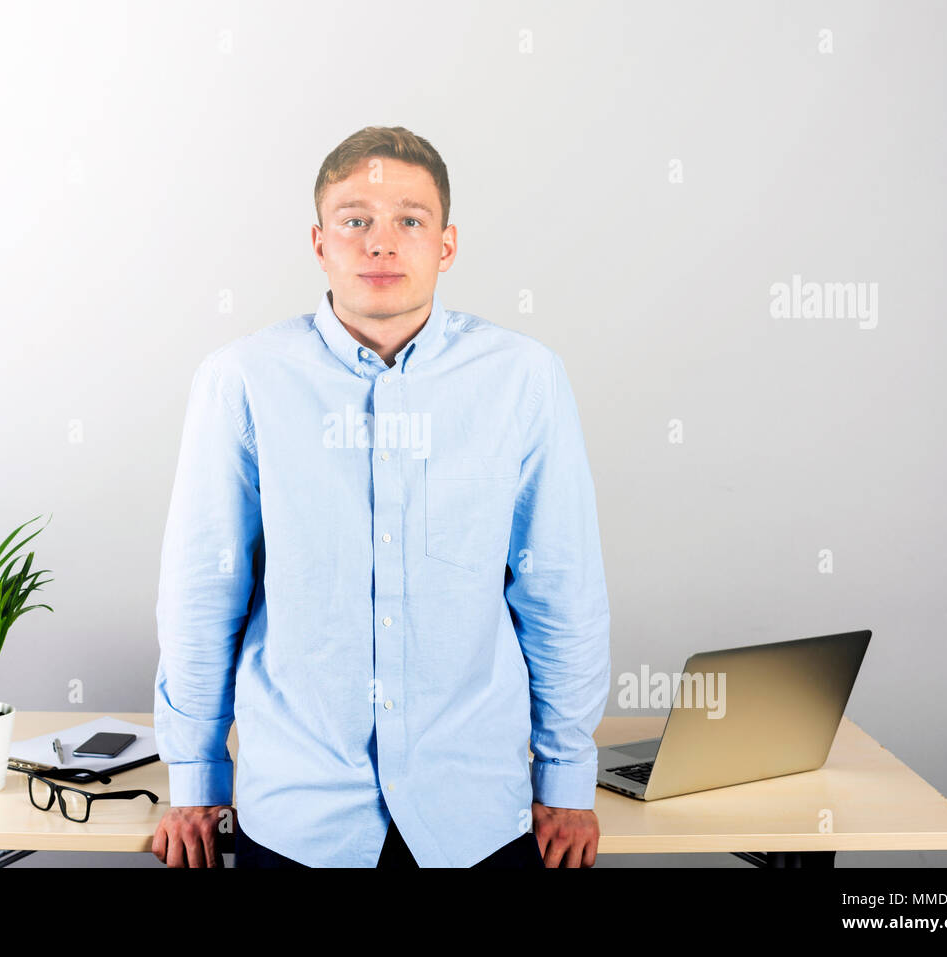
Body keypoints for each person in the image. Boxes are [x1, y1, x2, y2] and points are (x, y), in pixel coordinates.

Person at [150, 126, 611, 868]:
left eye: (410, 220)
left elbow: (560, 588)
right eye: (355, 219)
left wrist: (566, 778)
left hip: (477, 814)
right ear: (320, 241)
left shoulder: (525, 379)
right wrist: (197, 774)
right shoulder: (242, 381)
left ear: (447, 244)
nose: (381, 243)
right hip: (301, 816)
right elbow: (205, 588)